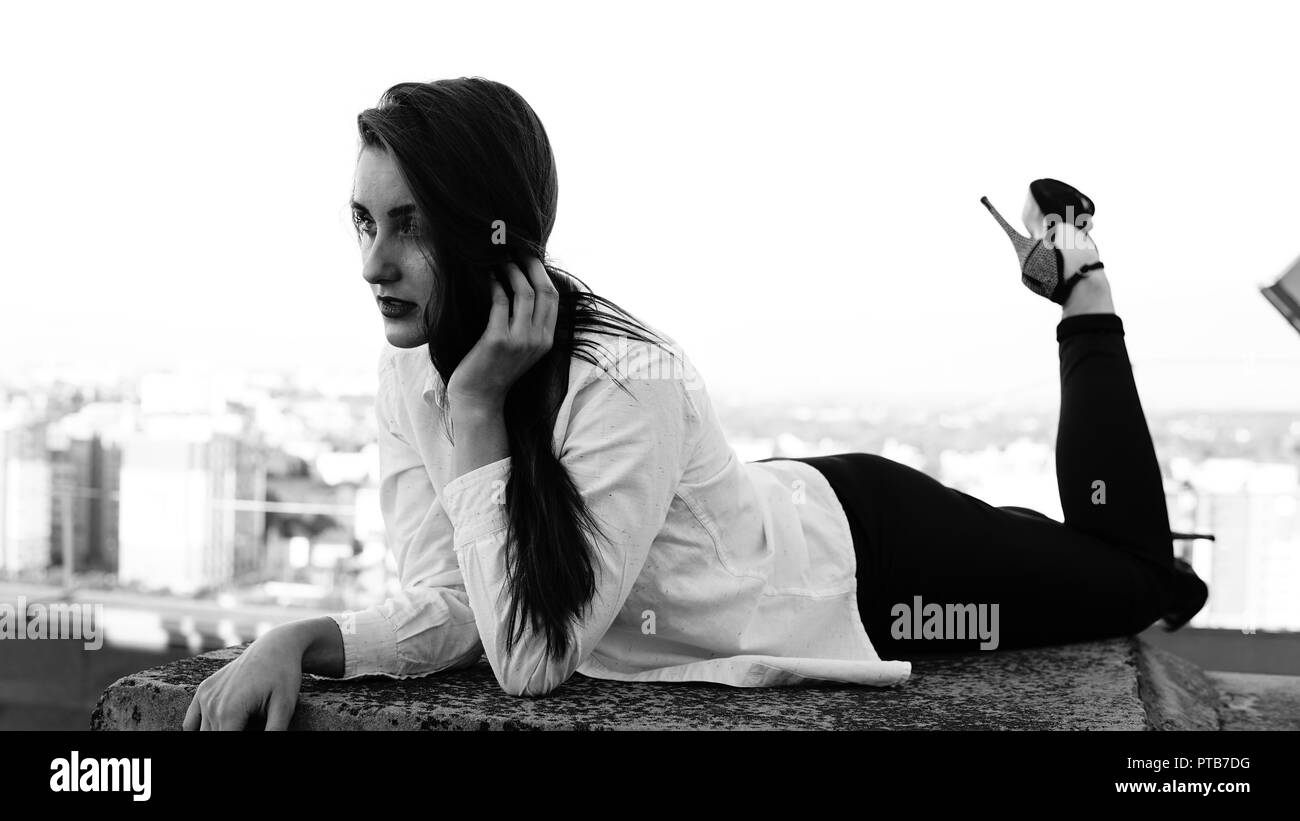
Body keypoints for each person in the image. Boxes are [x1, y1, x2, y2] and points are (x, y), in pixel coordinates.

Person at [183, 78, 1208, 730]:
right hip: (778, 515)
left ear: (489, 230)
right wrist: (299, 639)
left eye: (406, 226)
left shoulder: (629, 378)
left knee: (1137, 579)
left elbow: (531, 664)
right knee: (1060, 556)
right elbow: (460, 600)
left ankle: (1081, 279)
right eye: (361, 222)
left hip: (868, 562)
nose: (373, 263)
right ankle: (1029, 536)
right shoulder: (405, 374)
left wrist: (483, 409)